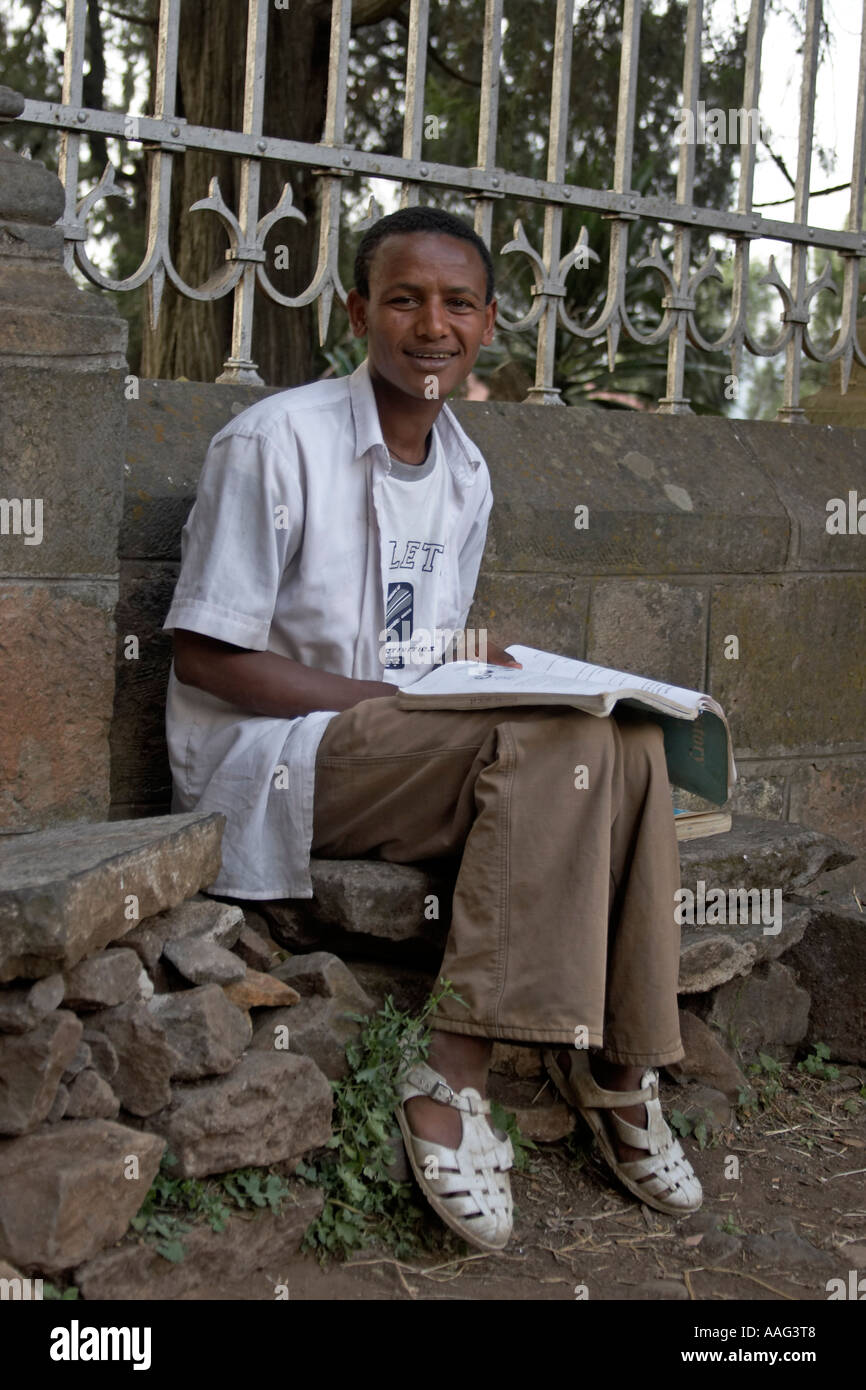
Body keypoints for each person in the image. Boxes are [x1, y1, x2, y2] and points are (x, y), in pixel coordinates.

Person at [163, 206, 701, 1254]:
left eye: (456, 303)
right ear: (359, 311)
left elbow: (415, 649)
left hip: (401, 745)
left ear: (490, 323)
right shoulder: (276, 440)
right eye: (403, 298)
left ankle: (623, 1065)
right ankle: (450, 1070)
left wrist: (477, 672)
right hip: (277, 758)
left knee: (622, 737)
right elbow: (203, 655)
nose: (430, 324)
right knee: (557, 743)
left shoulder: (464, 472)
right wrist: (394, 701)